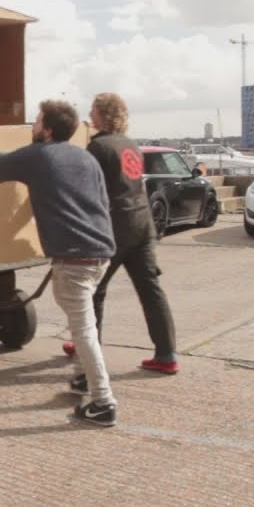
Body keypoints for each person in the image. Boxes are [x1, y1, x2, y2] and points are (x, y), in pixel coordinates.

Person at [0, 101, 119, 427]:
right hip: (100, 251)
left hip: (74, 256)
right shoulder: (85, 157)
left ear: (47, 130)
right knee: (77, 314)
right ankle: (82, 378)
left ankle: (103, 401)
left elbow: (0, 163)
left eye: (36, 121)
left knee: (83, 327)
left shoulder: (40, 155)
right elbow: (103, 202)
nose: (32, 126)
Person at [67, 93, 180, 374]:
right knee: (150, 290)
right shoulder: (130, 145)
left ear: (102, 115)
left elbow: (87, 191)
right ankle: (166, 355)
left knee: (93, 290)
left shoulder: (98, 147)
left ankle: (89, 347)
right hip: (142, 225)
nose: (89, 115)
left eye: (92, 110)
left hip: (114, 228)